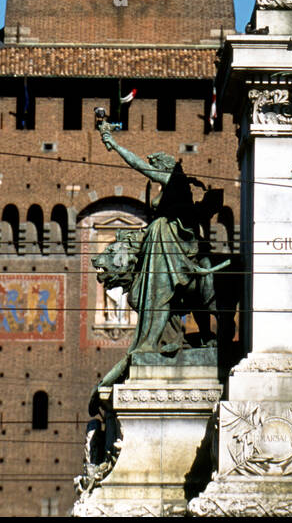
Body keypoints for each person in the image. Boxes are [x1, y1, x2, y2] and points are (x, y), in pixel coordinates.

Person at [93, 110, 222, 355]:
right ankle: (167, 334)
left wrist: (116, 145)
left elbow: (138, 164)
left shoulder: (173, 179)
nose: (152, 169)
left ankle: (160, 331)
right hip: (162, 236)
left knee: (161, 284)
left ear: (163, 167)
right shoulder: (173, 183)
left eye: (155, 166)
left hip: (172, 239)